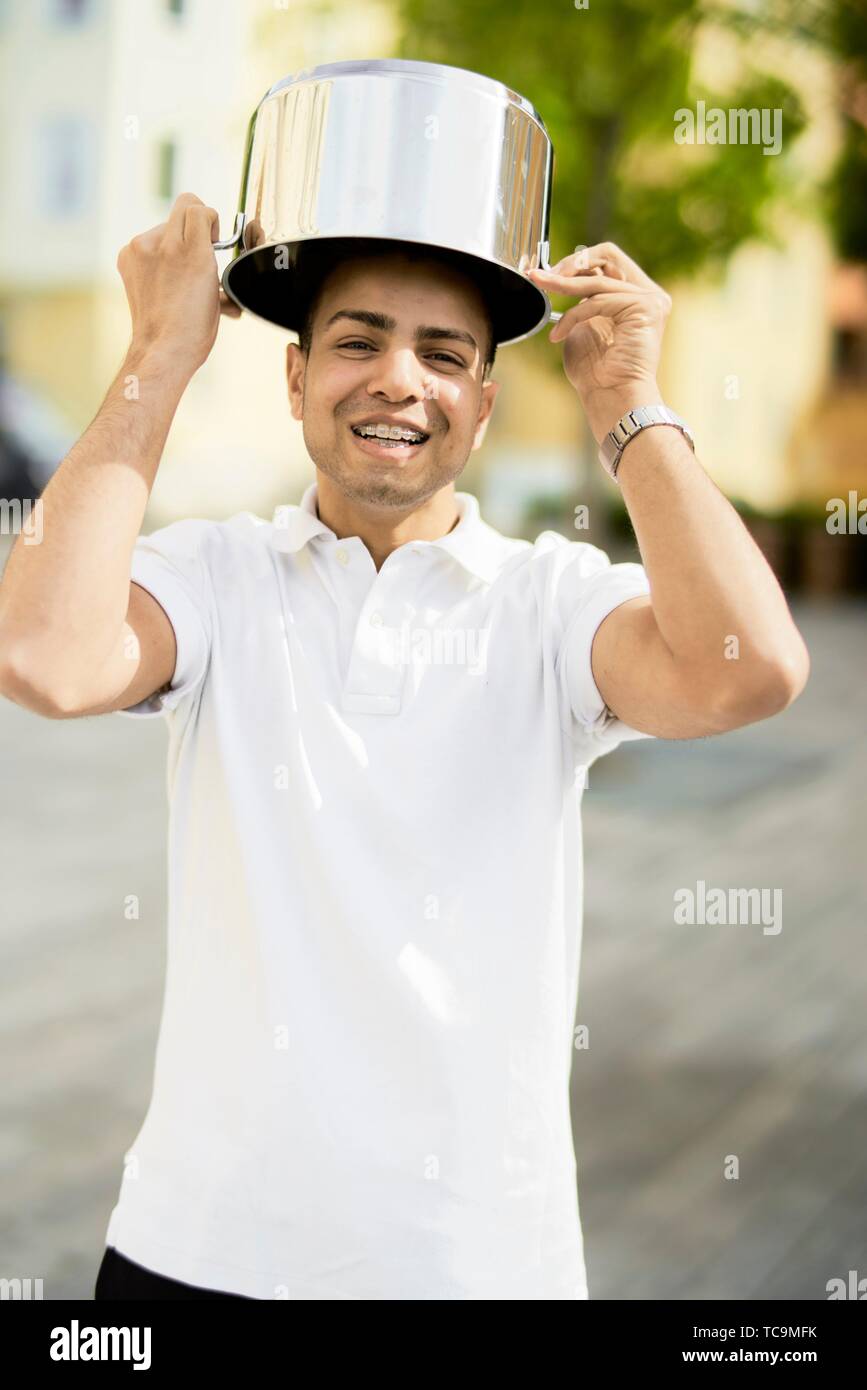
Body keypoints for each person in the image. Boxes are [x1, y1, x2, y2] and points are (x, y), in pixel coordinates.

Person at [0, 193, 809, 1301]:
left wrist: (627, 402)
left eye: (443, 354)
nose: (398, 379)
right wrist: (158, 355)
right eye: (356, 342)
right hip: (193, 1257)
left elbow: (747, 668)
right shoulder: (216, 577)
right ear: (294, 379)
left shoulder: (551, 601)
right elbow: (43, 657)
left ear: (483, 405)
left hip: (476, 1270)